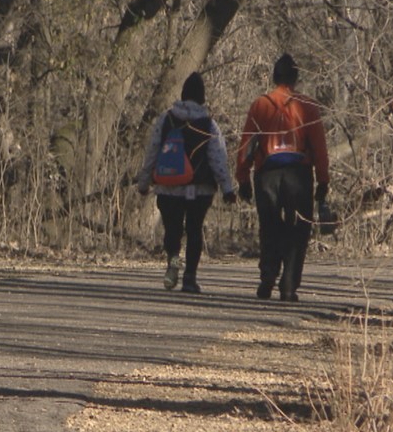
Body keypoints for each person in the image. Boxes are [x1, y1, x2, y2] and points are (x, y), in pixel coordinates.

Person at [235, 53, 329, 302]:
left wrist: (242, 178)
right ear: (296, 77)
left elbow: (246, 145)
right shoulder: (308, 106)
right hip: (299, 174)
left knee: (269, 226)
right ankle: (289, 285)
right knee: (298, 228)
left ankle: (267, 277)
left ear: (274, 76)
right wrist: (323, 179)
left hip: (267, 174)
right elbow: (319, 146)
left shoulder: (261, 104)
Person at [137, 72, 236, 294]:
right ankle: (190, 277)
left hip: (168, 186)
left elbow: (152, 151)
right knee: (194, 229)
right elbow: (218, 158)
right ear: (202, 97)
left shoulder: (166, 119)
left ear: (183, 95)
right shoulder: (208, 124)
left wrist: (144, 182)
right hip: (199, 188)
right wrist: (228, 189)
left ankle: (173, 258)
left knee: (172, 228)